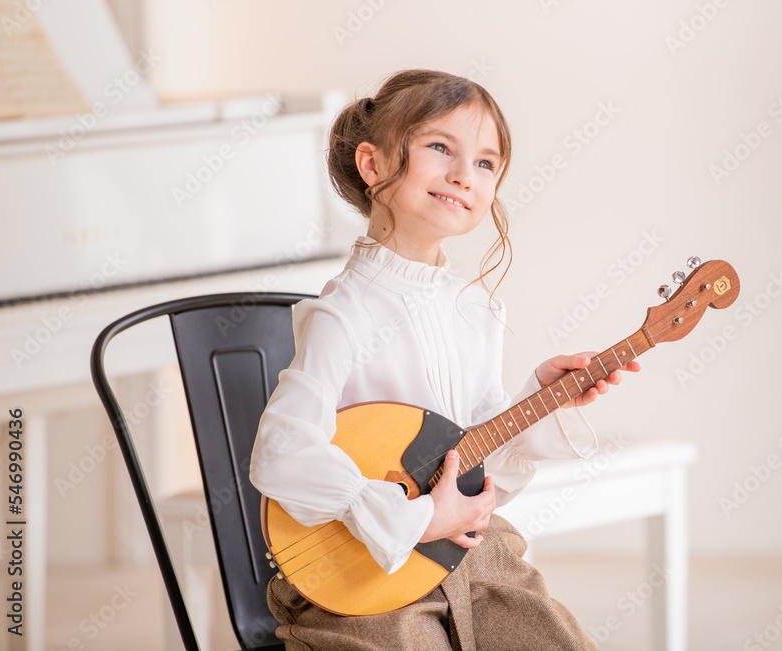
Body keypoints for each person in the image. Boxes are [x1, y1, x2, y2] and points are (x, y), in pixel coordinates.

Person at [249, 69, 640, 651]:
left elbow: (475, 461)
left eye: (486, 163)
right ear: (372, 164)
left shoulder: (477, 309)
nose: (465, 175)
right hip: (363, 573)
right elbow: (280, 454)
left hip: (468, 557)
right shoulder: (343, 314)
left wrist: (541, 397)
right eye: (440, 148)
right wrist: (411, 518)